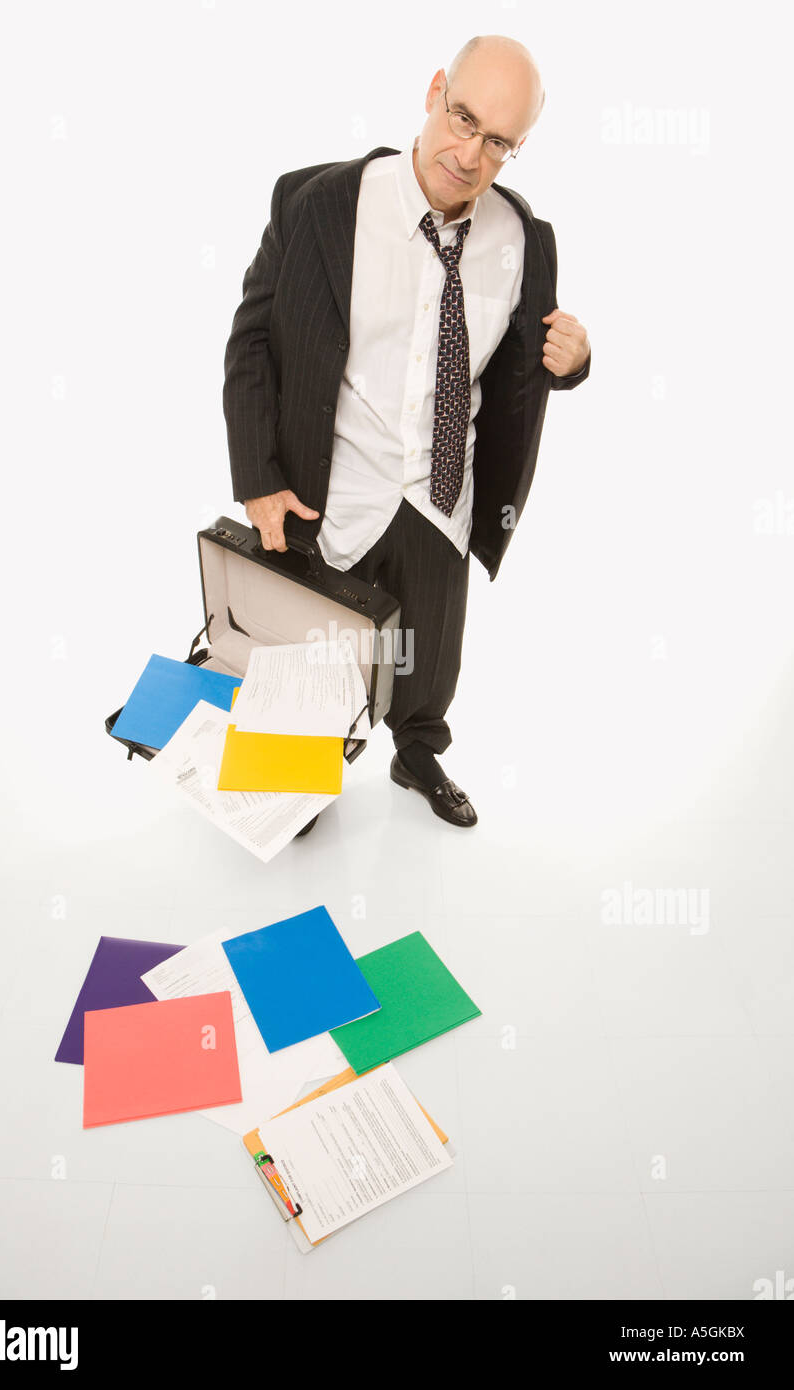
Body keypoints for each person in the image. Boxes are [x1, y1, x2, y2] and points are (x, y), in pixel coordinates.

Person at [223, 34, 591, 829]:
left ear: (517, 146)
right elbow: (251, 343)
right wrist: (256, 474)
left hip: (440, 495)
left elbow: (527, 363)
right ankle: (300, 770)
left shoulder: (523, 236)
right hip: (333, 487)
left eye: (498, 142)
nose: (470, 153)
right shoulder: (318, 203)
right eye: (463, 119)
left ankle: (416, 752)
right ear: (433, 91)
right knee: (314, 656)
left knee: (427, 658)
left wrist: (572, 362)